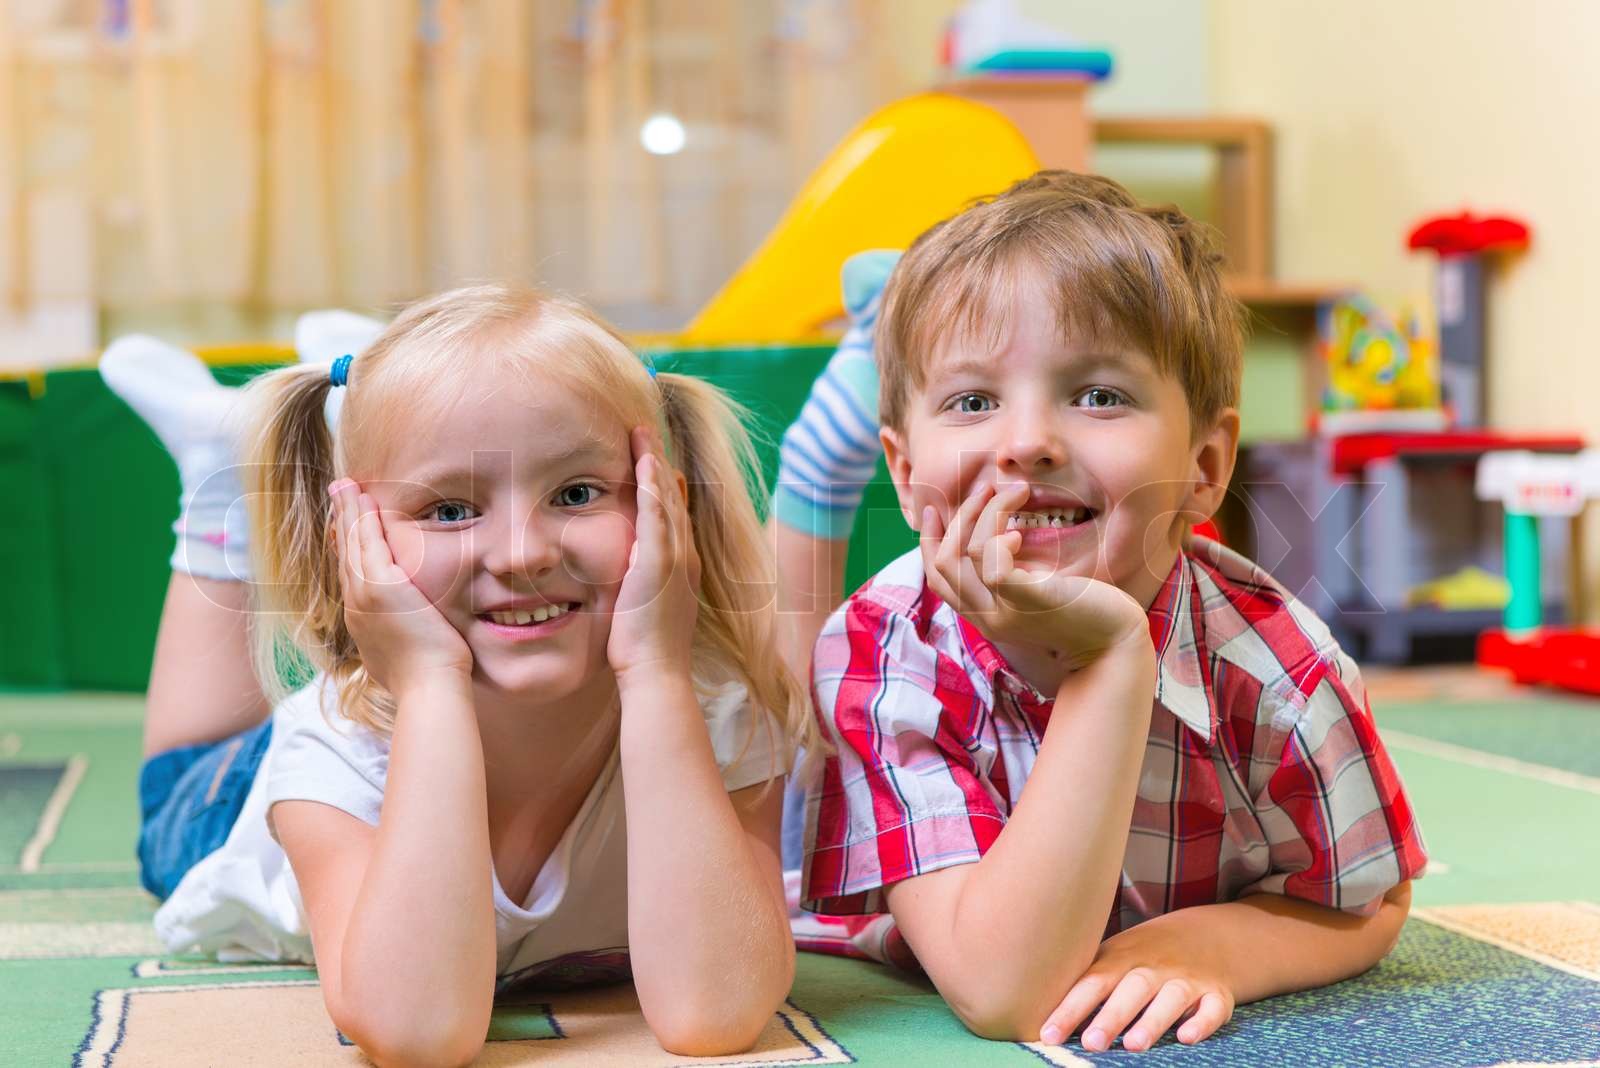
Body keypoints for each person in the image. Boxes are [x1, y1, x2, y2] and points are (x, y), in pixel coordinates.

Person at [783, 172, 1428, 1052]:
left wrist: (1214, 944)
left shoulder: (1282, 668)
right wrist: (1114, 659)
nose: (1026, 442)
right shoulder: (881, 649)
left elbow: (1369, 897)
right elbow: (1003, 992)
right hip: (885, 899)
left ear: (1204, 465)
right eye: (973, 402)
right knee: (764, 716)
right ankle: (844, 396)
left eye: (1098, 396)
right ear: (904, 473)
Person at [101, 283, 812, 1063]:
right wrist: (432, 686)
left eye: (576, 493)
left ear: (664, 512)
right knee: (174, 795)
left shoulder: (713, 711)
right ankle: (216, 488)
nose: (524, 553)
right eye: (449, 509)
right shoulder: (336, 747)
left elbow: (718, 1014)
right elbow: (416, 1032)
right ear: (356, 540)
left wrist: (655, 673)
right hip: (236, 803)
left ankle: (392, 394)